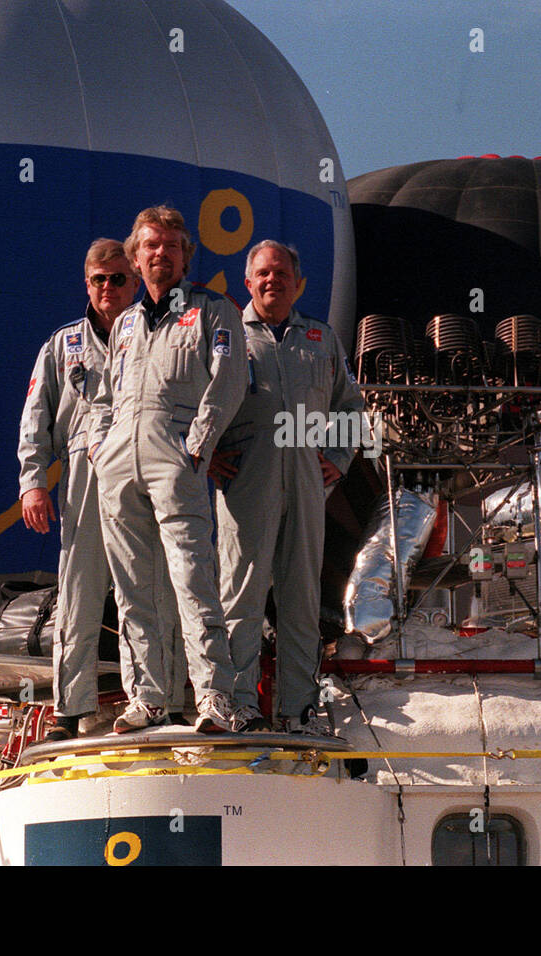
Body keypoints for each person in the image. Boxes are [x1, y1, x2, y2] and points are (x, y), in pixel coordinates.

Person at [88, 206, 247, 733]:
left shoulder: (212, 310)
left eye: (172, 246)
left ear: (185, 256)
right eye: (151, 246)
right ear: (135, 257)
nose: (162, 254)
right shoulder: (126, 323)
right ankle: (148, 698)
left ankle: (215, 698)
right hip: (118, 460)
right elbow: (106, 393)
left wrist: (197, 447)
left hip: (173, 452)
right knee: (131, 585)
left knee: (192, 577)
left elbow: (228, 381)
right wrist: (98, 444)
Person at [211, 241, 364, 734]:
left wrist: (337, 461)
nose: (272, 280)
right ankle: (238, 706)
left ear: (298, 282)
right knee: (241, 598)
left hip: (305, 483)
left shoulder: (321, 338)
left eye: (281, 272)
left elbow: (351, 411)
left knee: (301, 602)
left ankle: (298, 710)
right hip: (246, 481)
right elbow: (193, 403)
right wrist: (208, 453)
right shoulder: (227, 335)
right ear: (247, 283)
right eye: (262, 273)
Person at [18, 238, 139, 741]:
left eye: (117, 278)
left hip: (139, 469)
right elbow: (36, 417)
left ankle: (149, 701)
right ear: (86, 284)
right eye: (98, 279)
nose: (107, 288)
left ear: (133, 282)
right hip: (84, 476)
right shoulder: (63, 345)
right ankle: (70, 709)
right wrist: (32, 482)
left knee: (143, 590)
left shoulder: (153, 335)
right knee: (79, 591)